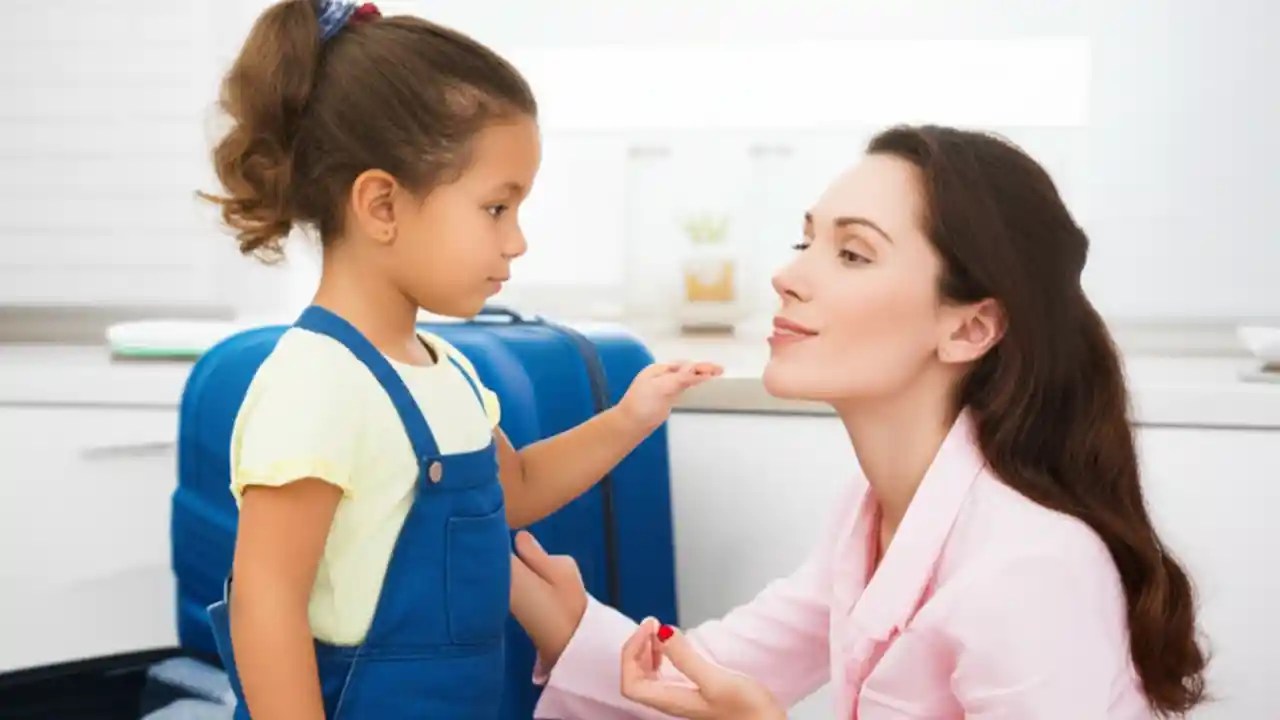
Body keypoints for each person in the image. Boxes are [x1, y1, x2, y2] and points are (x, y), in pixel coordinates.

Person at [509, 124, 1209, 719]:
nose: (788, 277)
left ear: (970, 329)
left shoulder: (1030, 567)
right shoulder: (874, 516)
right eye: (804, 242)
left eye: (852, 253)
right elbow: (711, 672)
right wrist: (566, 620)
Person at [196, 1, 720, 717]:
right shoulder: (315, 385)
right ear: (382, 205)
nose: (517, 241)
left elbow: (522, 485)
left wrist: (632, 416)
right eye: (496, 208)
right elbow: (266, 607)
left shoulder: (446, 371)